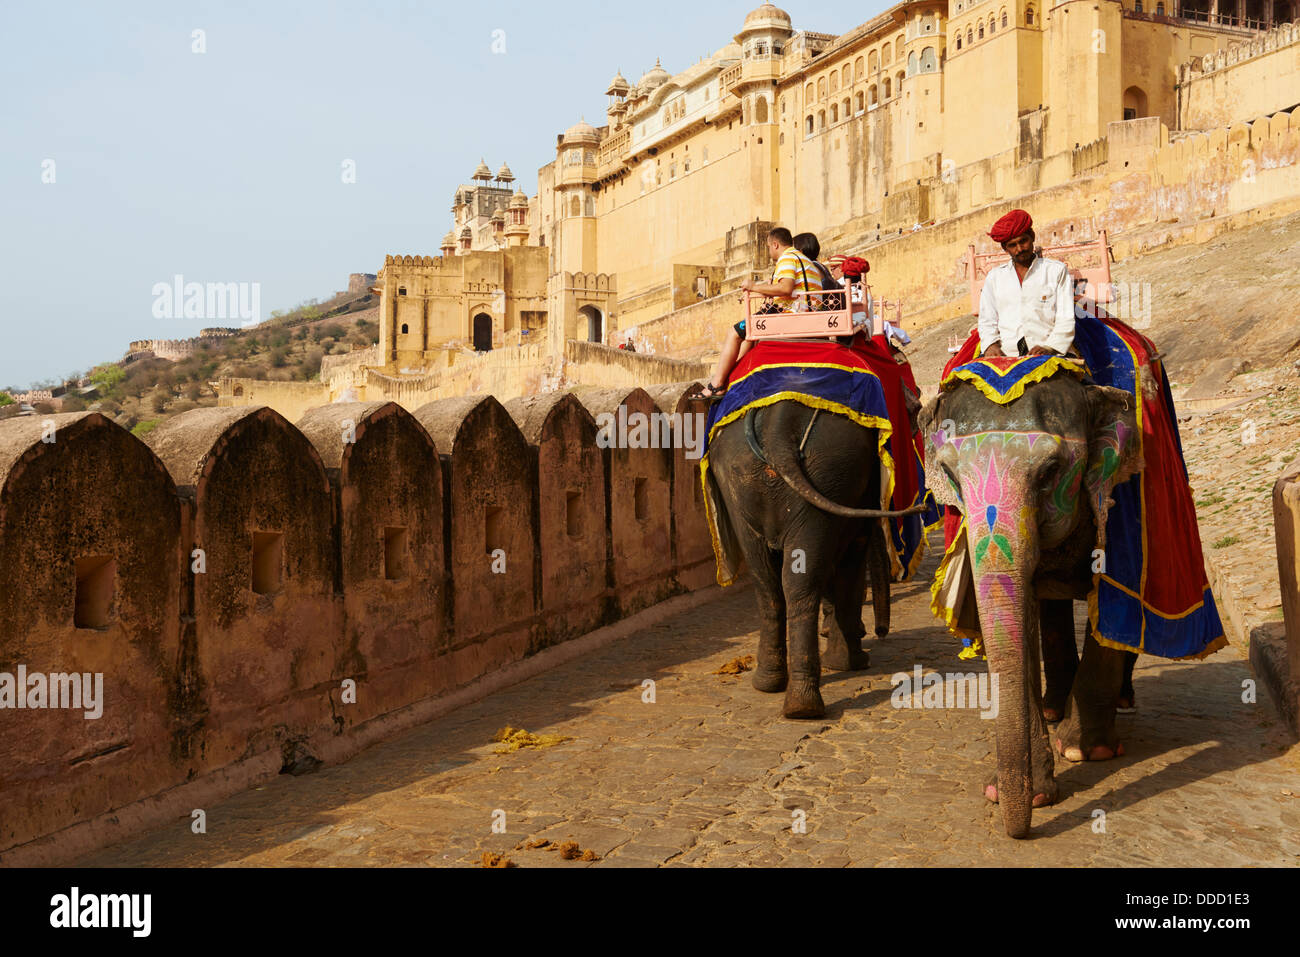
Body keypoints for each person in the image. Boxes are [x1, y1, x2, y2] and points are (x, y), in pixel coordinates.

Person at [695, 226, 818, 401]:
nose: (769, 252)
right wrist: (756, 291)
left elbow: (785, 288)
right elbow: (792, 289)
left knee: (734, 332)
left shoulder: (787, 259)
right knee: (748, 336)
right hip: (807, 311)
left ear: (775, 244)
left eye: (768, 247)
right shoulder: (804, 259)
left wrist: (753, 286)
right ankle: (736, 374)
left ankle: (716, 385)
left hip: (788, 314)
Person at [977, 209, 1075, 358]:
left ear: (1032, 237)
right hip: (1006, 355)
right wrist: (991, 345)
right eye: (1012, 245)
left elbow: (1065, 317)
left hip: (1051, 352)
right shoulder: (994, 277)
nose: (1019, 249)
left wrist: (1049, 347)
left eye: (1023, 241)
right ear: (1005, 248)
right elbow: (987, 319)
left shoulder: (1056, 271)